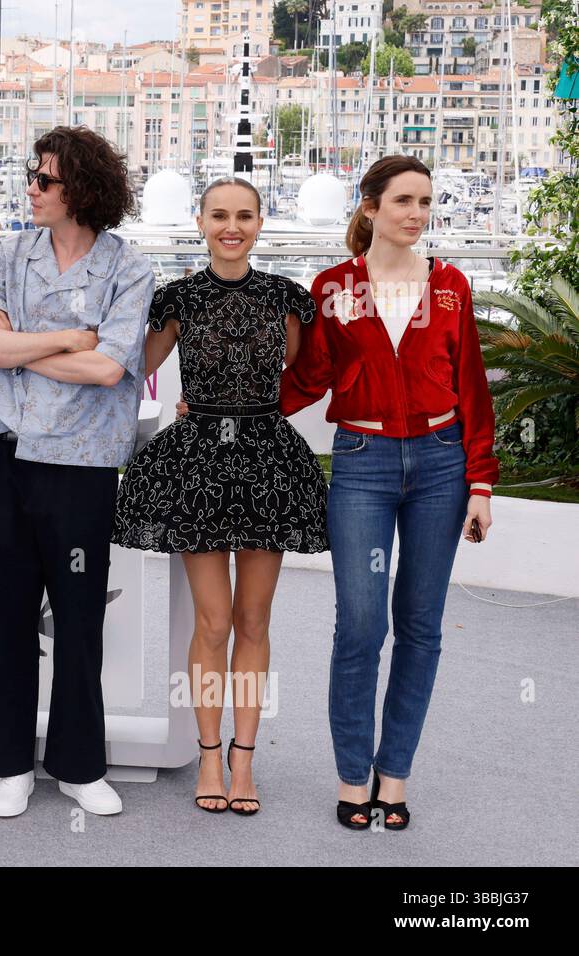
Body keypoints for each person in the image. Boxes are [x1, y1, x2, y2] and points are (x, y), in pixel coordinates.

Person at [280, 155, 497, 830]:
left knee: (421, 629)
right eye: (404, 200)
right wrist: (225, 408)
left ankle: (393, 775)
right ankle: (353, 775)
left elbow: (473, 390)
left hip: (440, 465)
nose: (417, 214)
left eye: (426, 202)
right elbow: (311, 376)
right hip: (363, 462)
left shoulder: (451, 287)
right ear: (369, 206)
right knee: (361, 625)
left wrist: (481, 482)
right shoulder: (335, 287)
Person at [114, 177, 329, 816]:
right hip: (201, 460)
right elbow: (132, 370)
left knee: (253, 621)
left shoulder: (288, 298)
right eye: (219, 216)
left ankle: (245, 759)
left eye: (244, 216)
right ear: (201, 222)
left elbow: (303, 374)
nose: (231, 226)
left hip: (266, 460)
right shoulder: (177, 297)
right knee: (212, 621)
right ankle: (208, 754)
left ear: (261, 223)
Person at [0, 126, 154, 818]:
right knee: (5, 611)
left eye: (44, 180)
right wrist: (68, 338)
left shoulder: (129, 268)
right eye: (31, 176)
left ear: (84, 191)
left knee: (78, 620)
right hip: (7, 453)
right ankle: (8, 763)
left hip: (82, 462)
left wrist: (22, 350)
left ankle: (78, 764)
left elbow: (110, 367)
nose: (31, 189)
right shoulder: (10, 254)